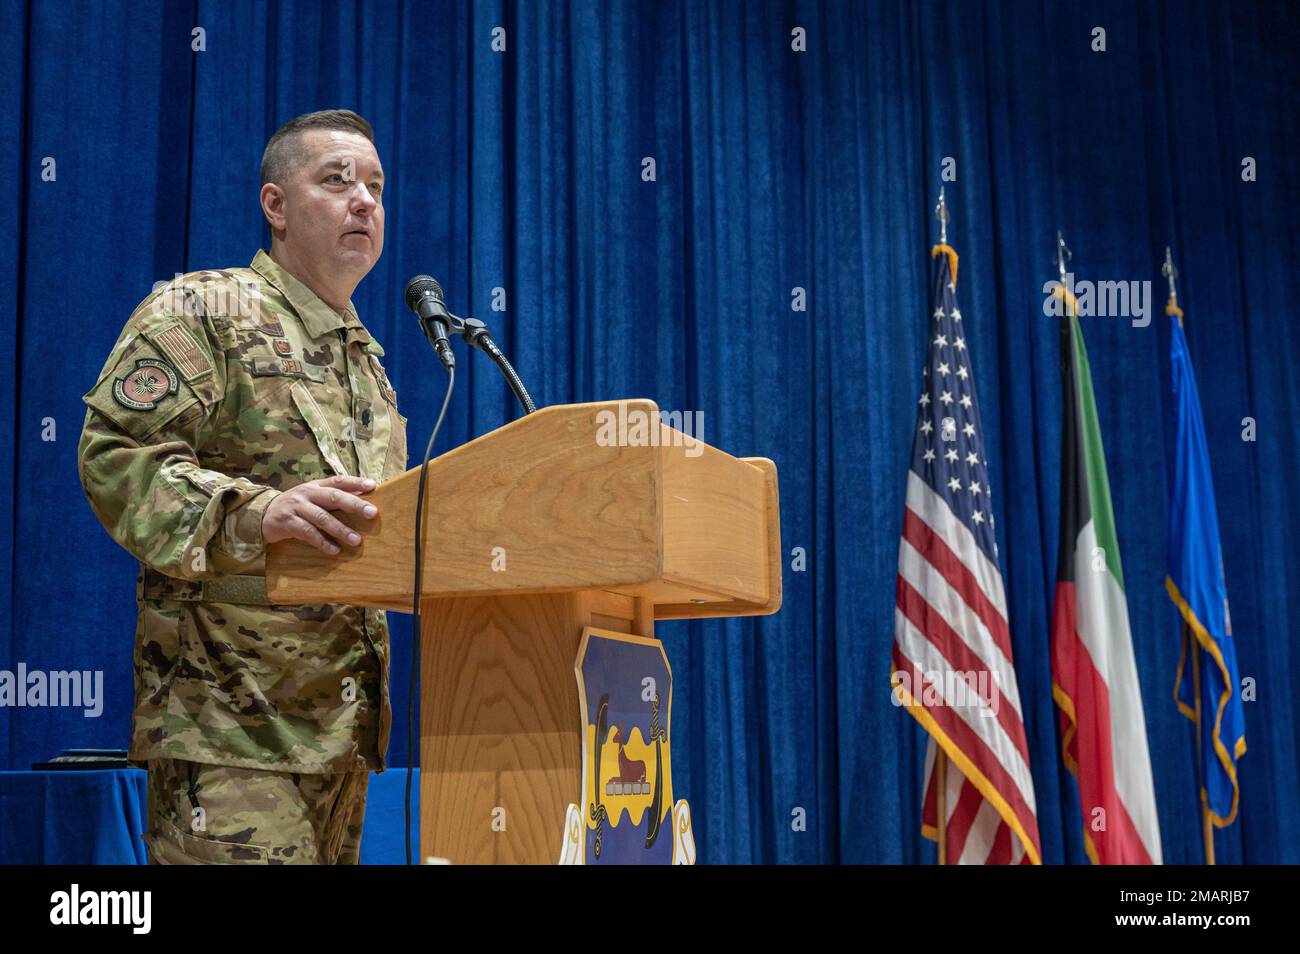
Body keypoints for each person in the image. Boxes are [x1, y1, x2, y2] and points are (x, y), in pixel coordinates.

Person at [76, 109, 407, 864]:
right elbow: (116, 457)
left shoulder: (370, 367)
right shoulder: (203, 310)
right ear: (276, 206)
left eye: (377, 188)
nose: (365, 200)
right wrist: (257, 513)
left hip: (342, 739)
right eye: (337, 180)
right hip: (231, 726)